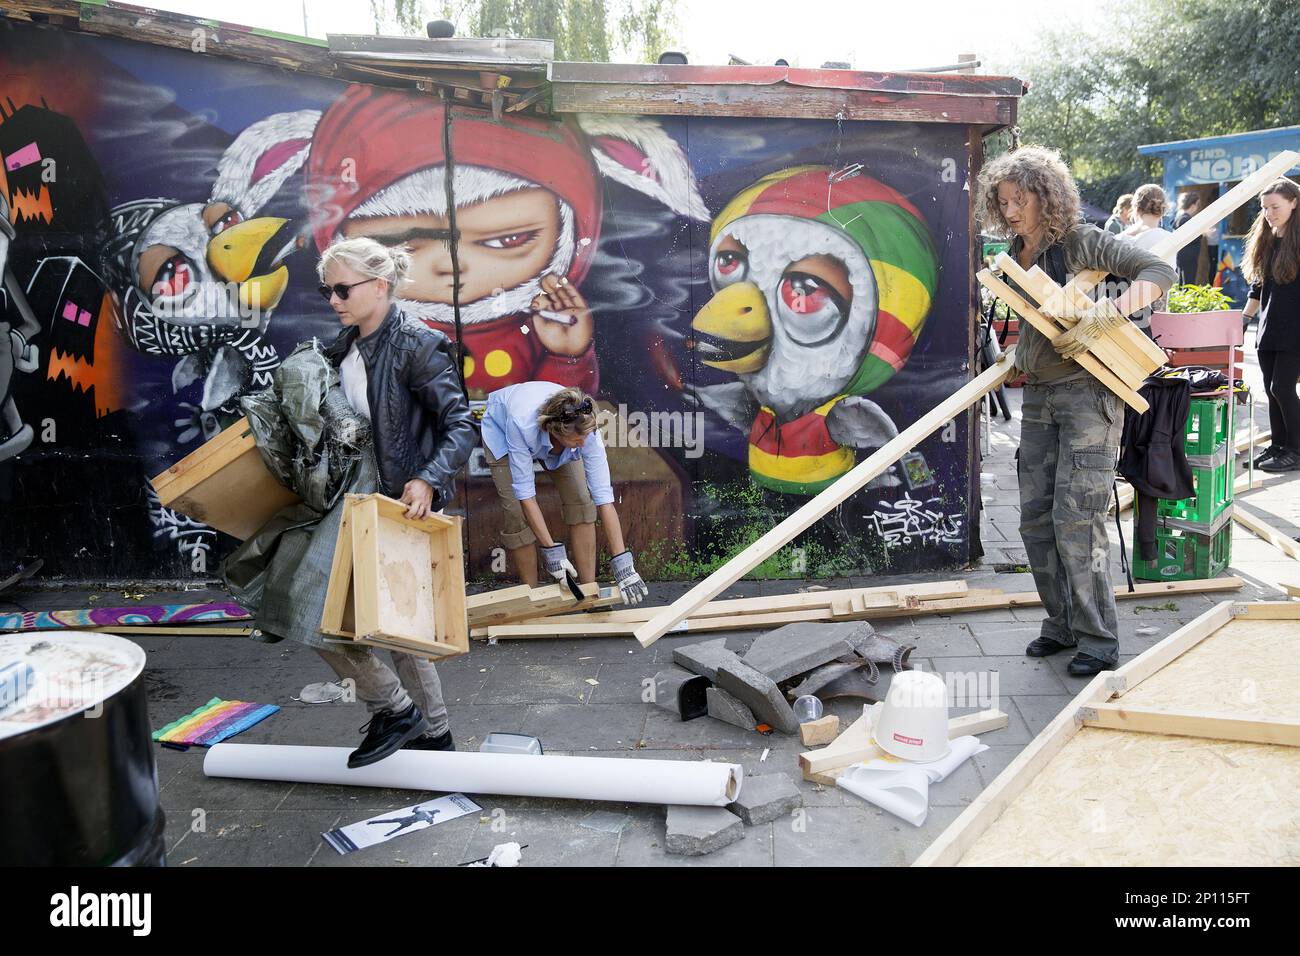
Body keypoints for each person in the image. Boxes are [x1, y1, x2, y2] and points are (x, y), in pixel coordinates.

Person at [978, 146, 1177, 676]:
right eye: (1004, 201)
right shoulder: (1017, 253)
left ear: (1046, 196)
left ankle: (1097, 639)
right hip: (1040, 396)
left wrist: (1108, 314)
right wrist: (1015, 355)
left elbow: (1159, 270)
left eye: (1021, 199)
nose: (1013, 210)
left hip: (1090, 396)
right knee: (1035, 521)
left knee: (1078, 519)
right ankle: (1060, 623)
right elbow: (1038, 325)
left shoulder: (1081, 242)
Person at [315, 237, 476, 766]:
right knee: (324, 617)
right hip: (350, 504)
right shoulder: (341, 348)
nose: (334, 299)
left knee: (395, 627)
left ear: (379, 285)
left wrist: (428, 481)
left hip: (396, 502)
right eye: (327, 290)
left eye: (343, 288)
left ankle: (419, 724)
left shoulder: (416, 344)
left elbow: (460, 423)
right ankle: (419, 723)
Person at [480, 381, 649, 604]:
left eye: (586, 438)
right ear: (556, 432)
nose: (584, 443)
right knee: (515, 515)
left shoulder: (585, 432)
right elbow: (525, 496)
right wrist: (553, 555)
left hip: (551, 434)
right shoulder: (521, 424)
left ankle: (589, 593)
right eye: (578, 441)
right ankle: (532, 600)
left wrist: (623, 565)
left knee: (581, 501)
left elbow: (604, 499)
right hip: (502, 428)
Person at [1242, 179, 1300, 472]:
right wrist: (1243, 320)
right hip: (1270, 325)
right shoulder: (1269, 237)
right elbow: (1258, 286)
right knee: (1269, 388)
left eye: (1275, 207)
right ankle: (1279, 445)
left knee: (1283, 388)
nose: (1269, 213)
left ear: (1294, 202)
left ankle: (1296, 449)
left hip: (1295, 328)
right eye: (1265, 208)